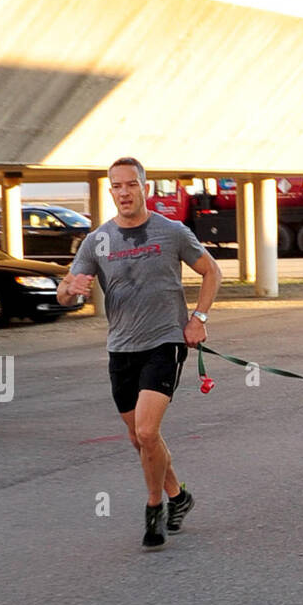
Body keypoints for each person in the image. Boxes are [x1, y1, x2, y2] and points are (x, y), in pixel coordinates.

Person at [57, 157, 221, 550]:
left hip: (164, 343)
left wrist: (197, 318)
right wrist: (69, 290)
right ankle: (180, 497)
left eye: (132, 184)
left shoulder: (172, 232)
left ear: (144, 187)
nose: (124, 192)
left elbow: (211, 271)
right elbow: (65, 291)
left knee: (147, 431)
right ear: (110, 190)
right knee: (138, 438)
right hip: (121, 349)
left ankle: (154, 510)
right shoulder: (97, 240)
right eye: (117, 186)